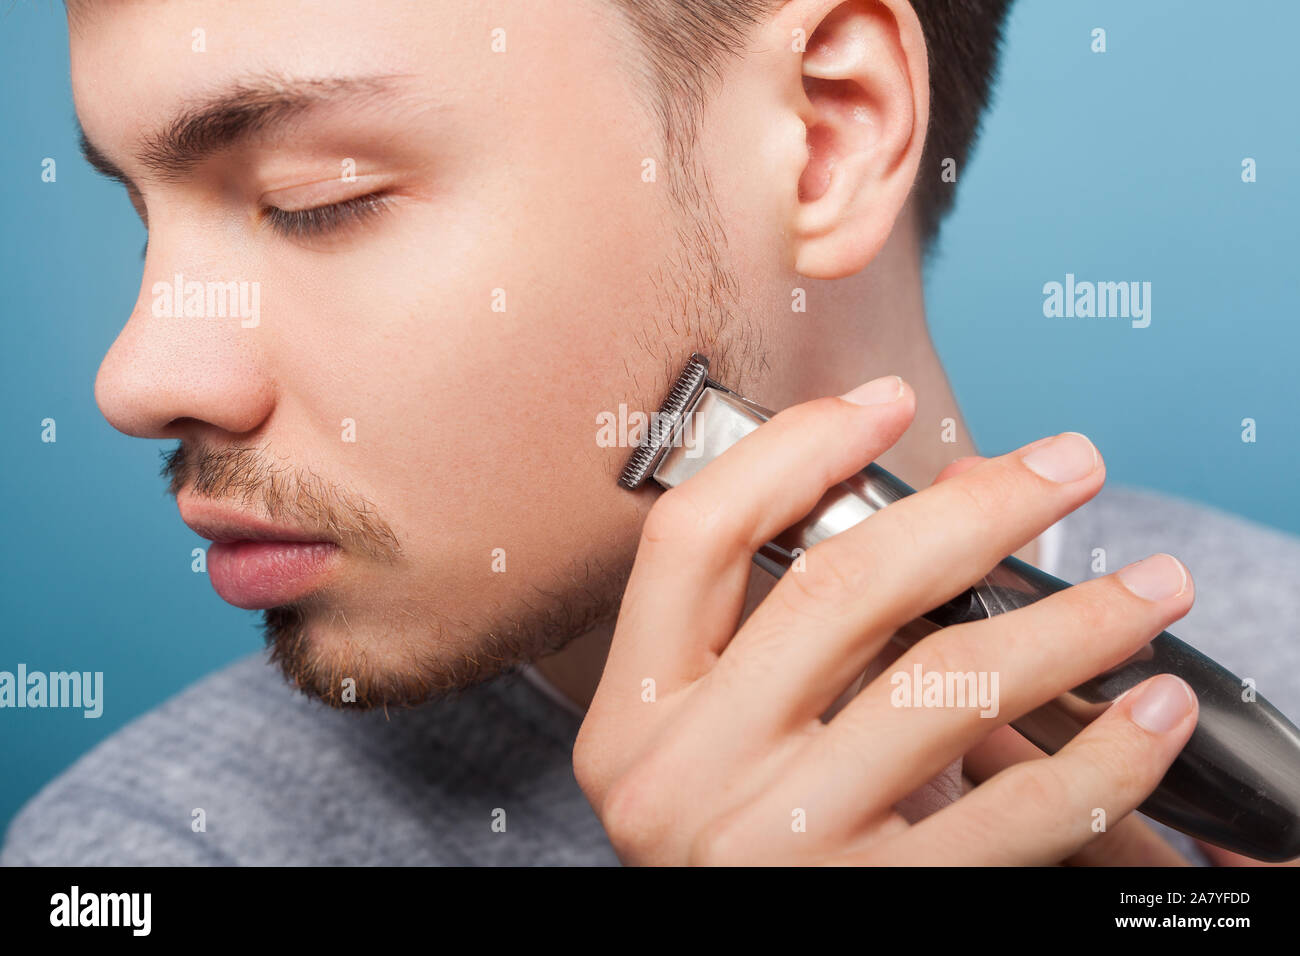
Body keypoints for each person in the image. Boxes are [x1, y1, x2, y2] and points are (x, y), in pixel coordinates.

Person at [5, 0, 1298, 866]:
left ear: (826, 141)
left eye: (313, 201)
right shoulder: (145, 851)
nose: (139, 374)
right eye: (142, 214)